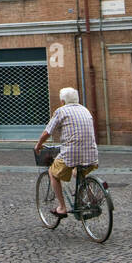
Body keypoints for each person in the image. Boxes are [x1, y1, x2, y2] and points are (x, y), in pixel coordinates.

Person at [34, 88, 99, 217]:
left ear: (62, 101)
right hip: (92, 153)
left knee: (52, 173)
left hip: (71, 153)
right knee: (77, 172)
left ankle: (62, 208)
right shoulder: (85, 110)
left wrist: (39, 144)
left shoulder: (61, 111)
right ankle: (92, 199)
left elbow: (48, 131)